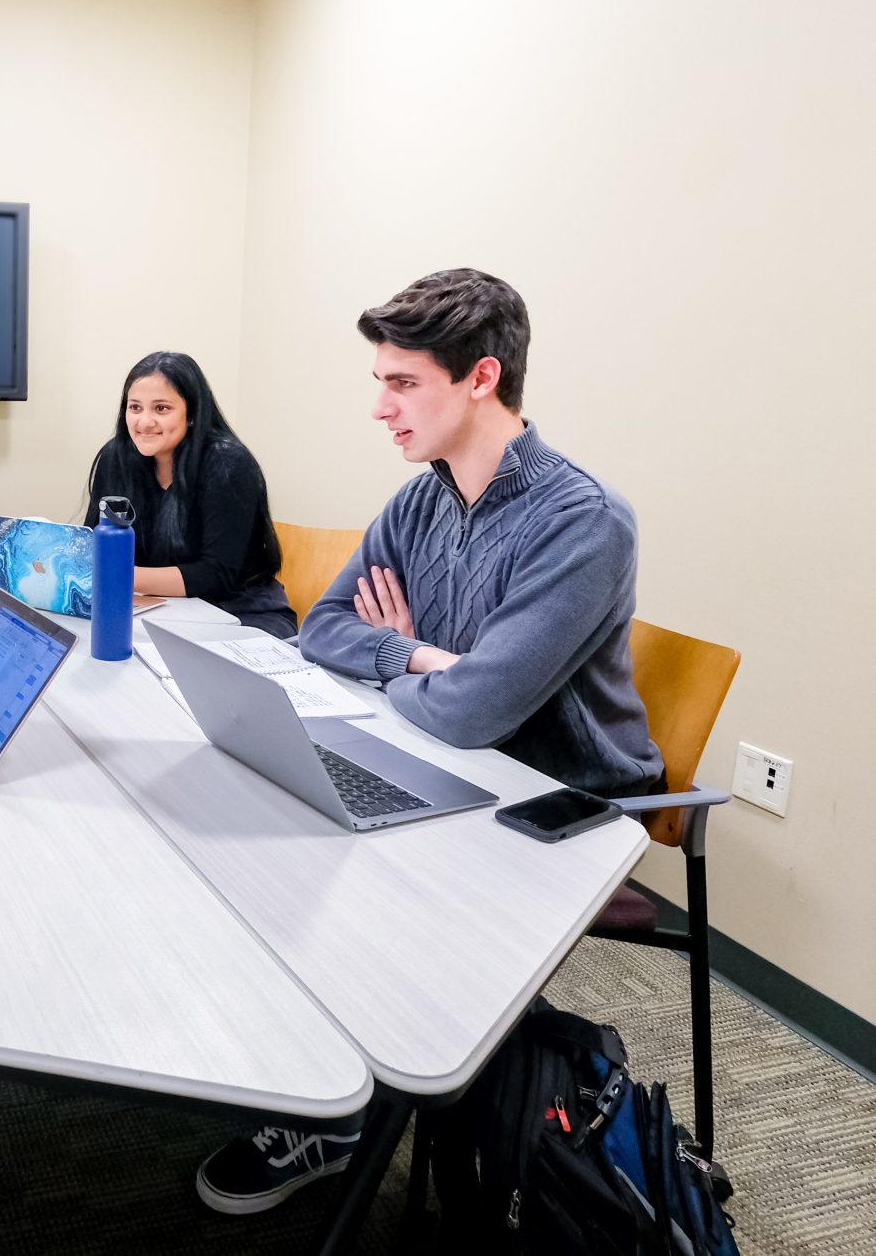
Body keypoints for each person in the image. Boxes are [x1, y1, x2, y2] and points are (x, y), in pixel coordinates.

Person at [192, 268, 663, 1216]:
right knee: (269, 806)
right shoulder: (422, 498)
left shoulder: (582, 521)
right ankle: (316, 1071)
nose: (379, 407)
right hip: (450, 760)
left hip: (559, 797)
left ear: (481, 377)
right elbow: (316, 630)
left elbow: (473, 714)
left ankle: (344, 1115)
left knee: (334, 853)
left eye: (402, 384)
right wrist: (418, 654)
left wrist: (440, 678)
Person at [80, 351, 296, 636]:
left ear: (192, 413)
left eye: (161, 409)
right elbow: (94, 541)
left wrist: (117, 575)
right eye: (135, 408)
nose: (144, 422)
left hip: (241, 612)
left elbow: (216, 574)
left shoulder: (228, 463)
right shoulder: (115, 457)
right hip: (160, 610)